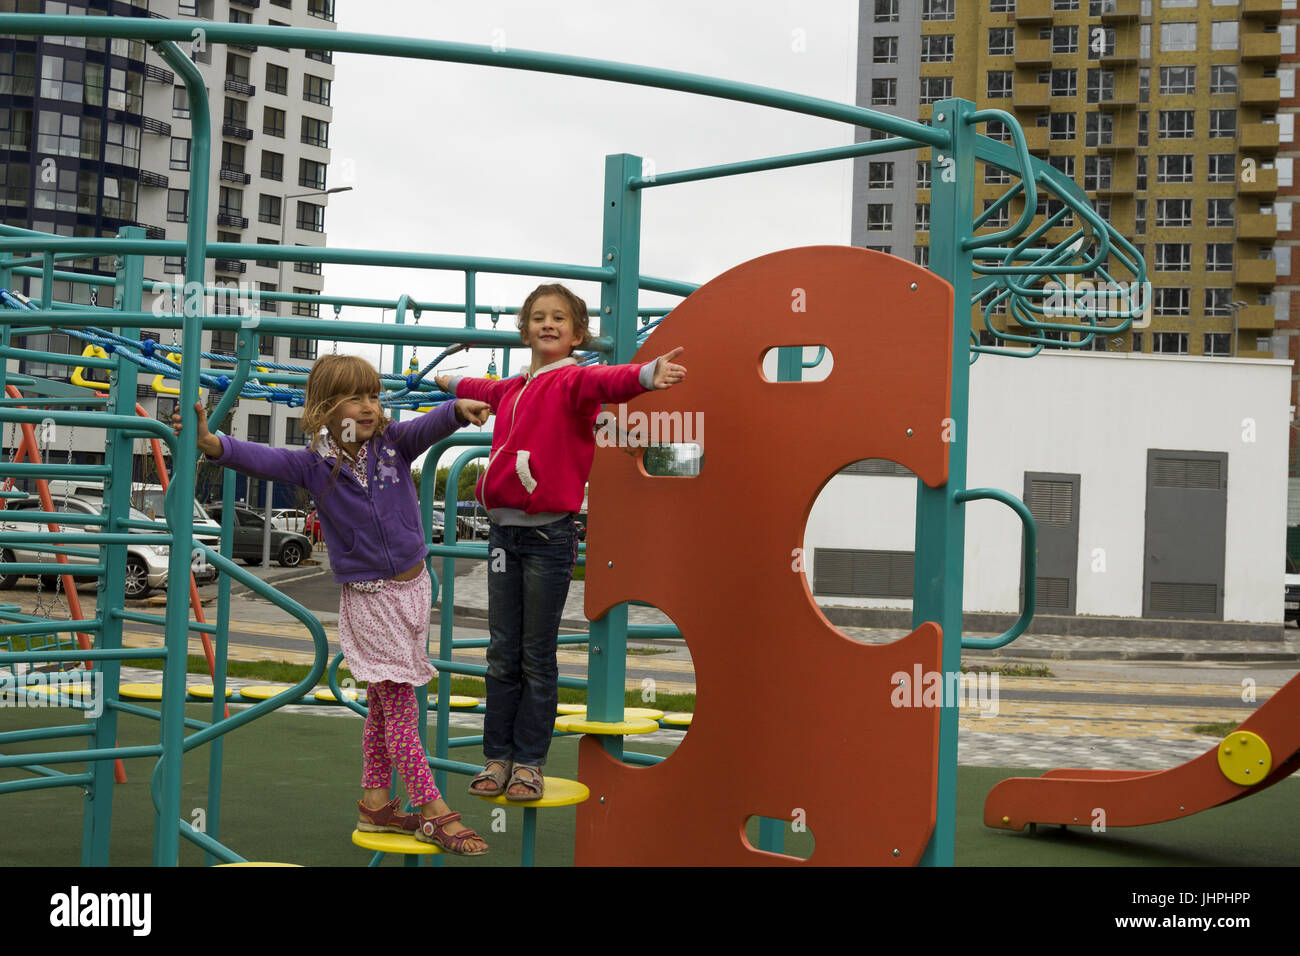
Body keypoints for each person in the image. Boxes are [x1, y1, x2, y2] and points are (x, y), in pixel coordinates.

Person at [173, 354, 494, 855]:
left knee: (385, 708)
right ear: (326, 407)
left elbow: (427, 425)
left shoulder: (393, 445)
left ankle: (374, 801)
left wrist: (458, 408)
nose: (369, 407)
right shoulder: (313, 465)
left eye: (373, 396)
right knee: (401, 705)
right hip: (370, 598)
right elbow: (258, 457)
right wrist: (212, 444)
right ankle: (431, 806)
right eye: (356, 397)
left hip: (414, 590)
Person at [437, 283, 686, 802]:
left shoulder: (572, 382)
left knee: (535, 653)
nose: (548, 325)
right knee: (502, 651)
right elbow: (480, 389)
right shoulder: (513, 387)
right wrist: (447, 381)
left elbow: (608, 381)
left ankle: (529, 762)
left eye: (559, 319)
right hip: (505, 533)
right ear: (525, 328)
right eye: (539, 318)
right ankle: (496, 757)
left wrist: (645, 376)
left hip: (550, 535)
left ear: (577, 334)